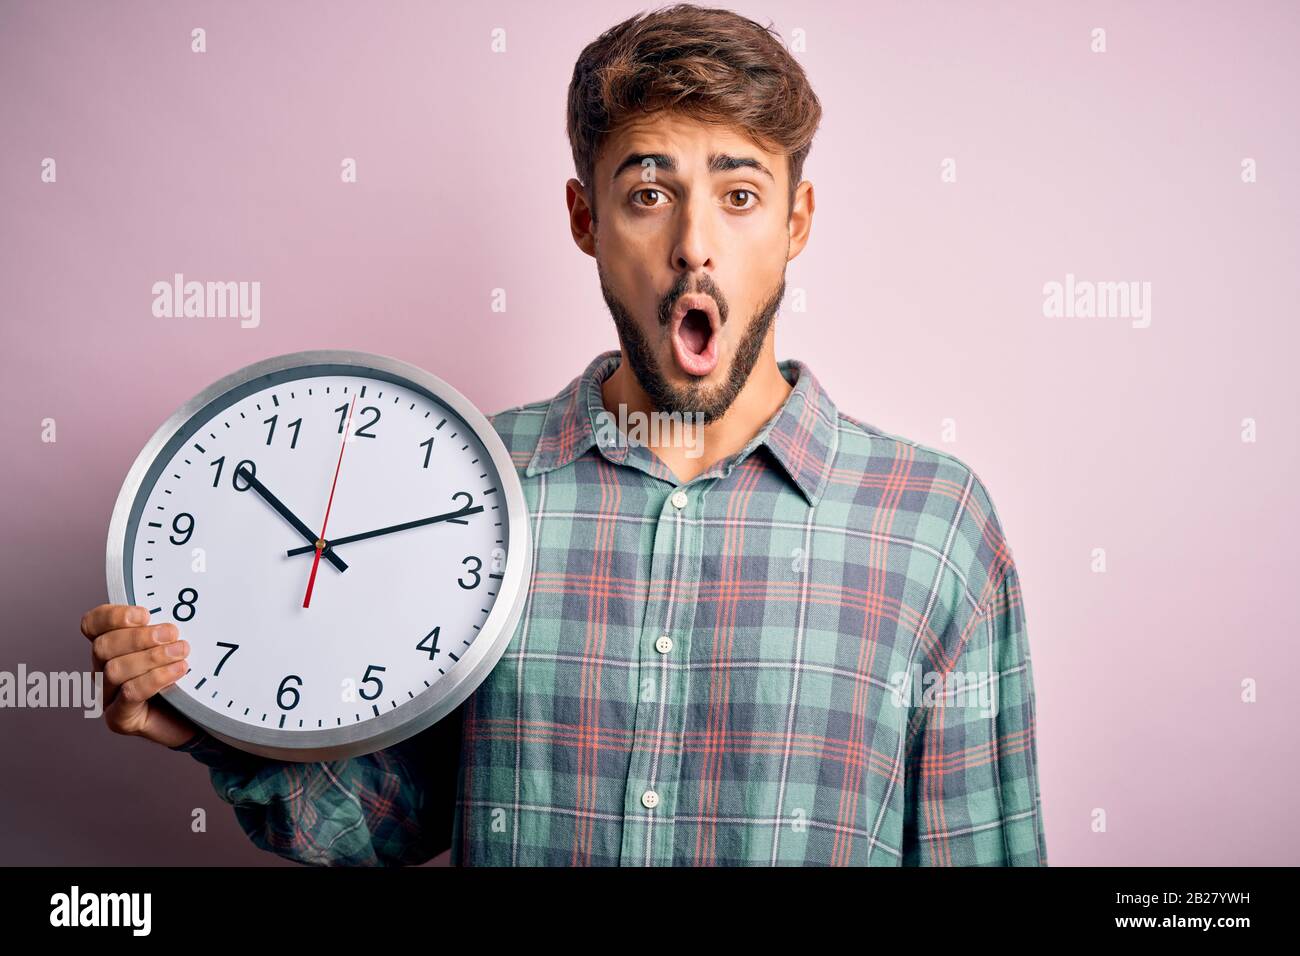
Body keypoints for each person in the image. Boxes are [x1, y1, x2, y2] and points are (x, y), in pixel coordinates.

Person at [79, 3, 1047, 866]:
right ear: (585, 217)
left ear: (796, 221)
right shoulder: (460, 493)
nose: (694, 244)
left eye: (739, 195)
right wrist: (207, 716)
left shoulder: (932, 522)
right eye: (648, 192)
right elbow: (383, 822)